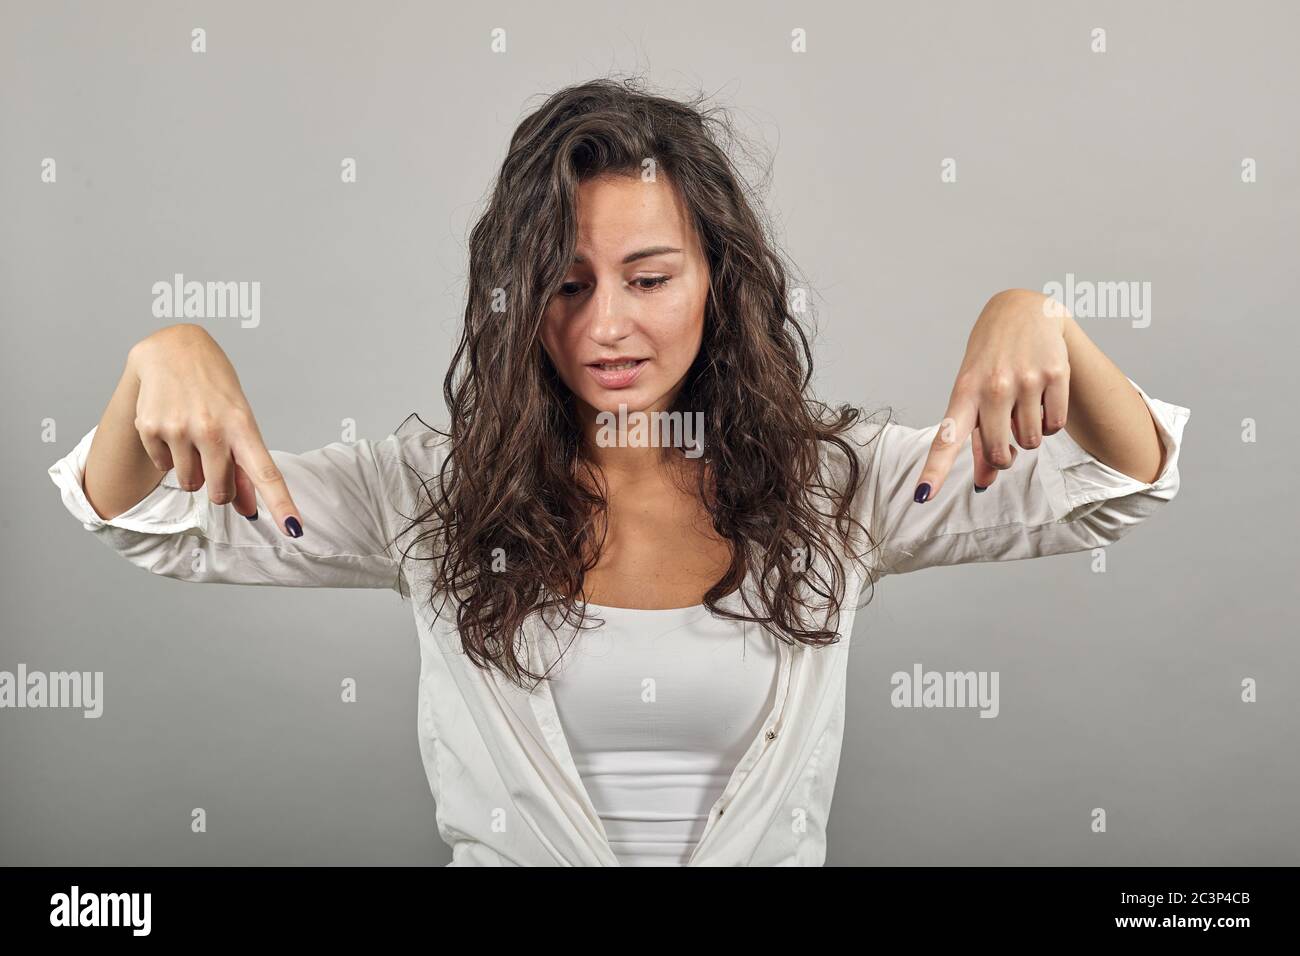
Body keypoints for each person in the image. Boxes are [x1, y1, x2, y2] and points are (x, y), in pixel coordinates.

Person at [46, 77, 1191, 866]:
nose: (607, 326)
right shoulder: (427, 496)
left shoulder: (834, 491)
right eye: (566, 281)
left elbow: (1116, 485)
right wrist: (164, 357)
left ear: (715, 280)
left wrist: (1035, 318)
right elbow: (142, 514)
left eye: (648, 276)